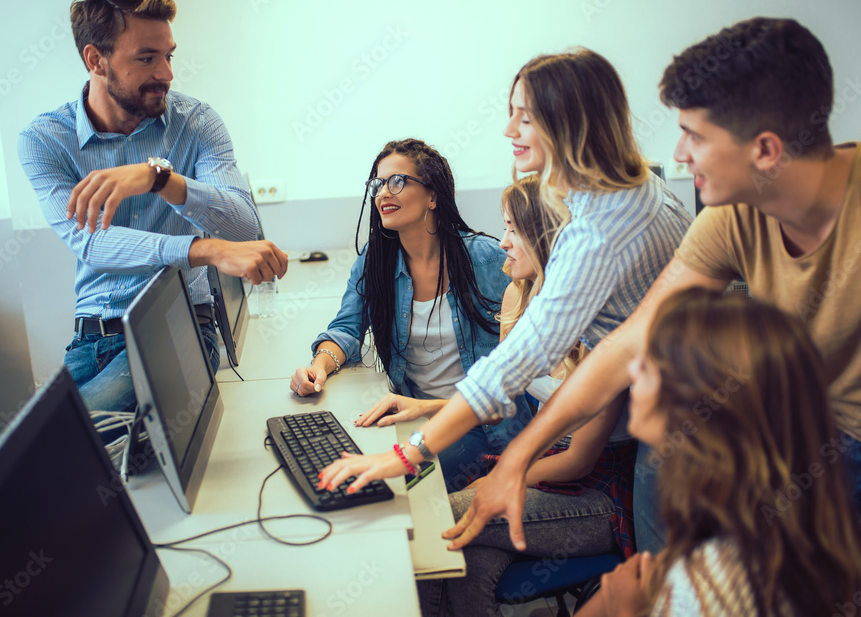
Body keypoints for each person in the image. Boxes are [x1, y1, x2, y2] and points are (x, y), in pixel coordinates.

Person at [448, 16, 861, 574]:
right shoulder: (732, 214)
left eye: (695, 135)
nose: (679, 154)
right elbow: (626, 344)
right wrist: (517, 458)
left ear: (764, 149)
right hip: (808, 440)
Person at [317, 50, 692, 514]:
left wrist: (410, 454)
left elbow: (521, 360)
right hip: (648, 414)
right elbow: (602, 362)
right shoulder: (626, 196)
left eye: (526, 117)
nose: (509, 130)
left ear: (571, 122)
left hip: (679, 427)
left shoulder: (596, 232)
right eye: (510, 113)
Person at [18, 0, 287, 433]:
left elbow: (244, 229)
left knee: (59, 442)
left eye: (169, 55)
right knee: (42, 450)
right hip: (92, 335)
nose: (166, 73)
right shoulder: (45, 140)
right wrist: (202, 250)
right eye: (146, 58)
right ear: (95, 60)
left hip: (181, 327)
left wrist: (162, 179)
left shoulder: (196, 122)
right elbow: (92, 243)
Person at [578, 288, 861, 617]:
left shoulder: (710, 586)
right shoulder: (758, 538)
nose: (633, 369)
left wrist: (622, 610)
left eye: (650, 363)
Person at [417, 174, 638, 616]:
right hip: (545, 469)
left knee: (432, 520)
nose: (502, 242)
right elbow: (504, 398)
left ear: (548, 233)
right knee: (465, 567)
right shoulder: (520, 296)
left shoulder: (600, 322)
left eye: (514, 229)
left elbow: (580, 460)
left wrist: (505, 478)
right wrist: (423, 407)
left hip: (595, 496)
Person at [288, 138, 524, 490]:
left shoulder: (488, 259)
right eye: (378, 184)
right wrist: (318, 367)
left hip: (483, 427)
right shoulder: (375, 261)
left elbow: (522, 373)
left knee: (400, 482)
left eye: (397, 181)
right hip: (412, 415)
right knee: (355, 464)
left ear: (432, 196)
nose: (384, 192)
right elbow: (347, 330)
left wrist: (423, 409)